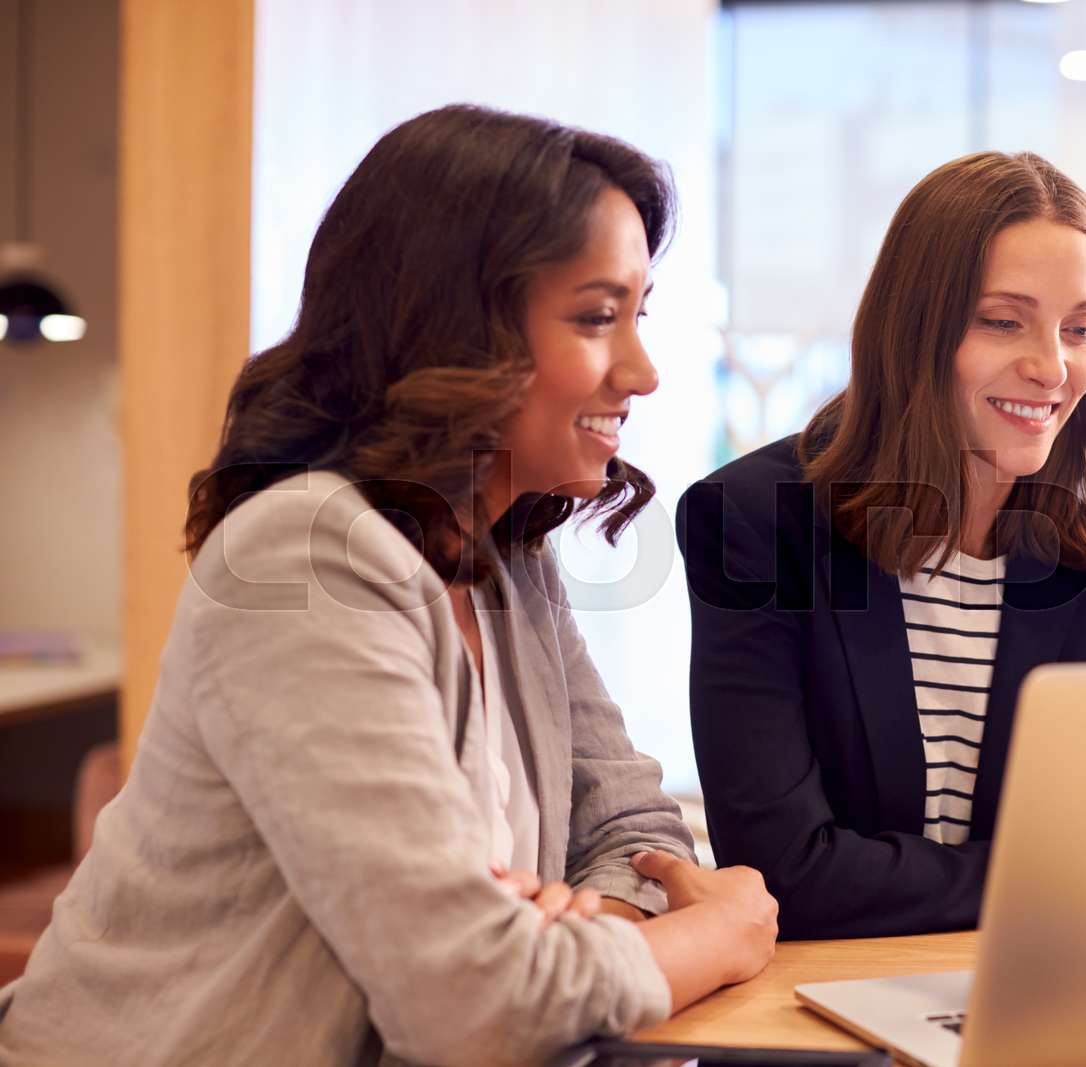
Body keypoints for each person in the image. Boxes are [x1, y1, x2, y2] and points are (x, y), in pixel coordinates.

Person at [0, 105, 777, 1067]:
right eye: (595, 316)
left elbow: (636, 829)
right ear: (453, 327)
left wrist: (573, 937)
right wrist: (716, 933)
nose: (644, 371)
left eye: (639, 313)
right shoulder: (307, 557)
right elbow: (473, 1007)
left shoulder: (508, 563)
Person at [677, 151, 1086, 941]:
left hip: (1056, 998)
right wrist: (1051, 880)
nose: (1051, 367)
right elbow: (787, 872)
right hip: (823, 1018)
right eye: (1003, 320)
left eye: (1080, 328)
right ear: (914, 326)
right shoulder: (755, 520)